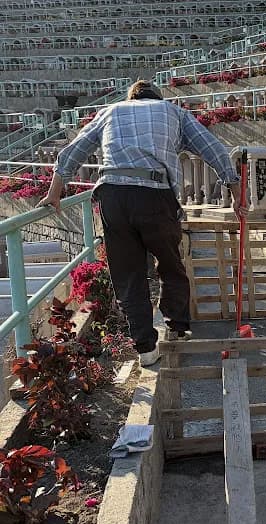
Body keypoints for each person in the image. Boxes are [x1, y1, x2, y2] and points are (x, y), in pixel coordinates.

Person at [37, 80, 245, 366]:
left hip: (114, 195)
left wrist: (54, 192)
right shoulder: (173, 113)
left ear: (130, 98)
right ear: (157, 98)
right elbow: (213, 149)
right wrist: (236, 193)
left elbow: (74, 150)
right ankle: (177, 327)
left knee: (129, 274)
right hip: (155, 195)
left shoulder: (110, 111)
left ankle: (146, 348)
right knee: (170, 263)